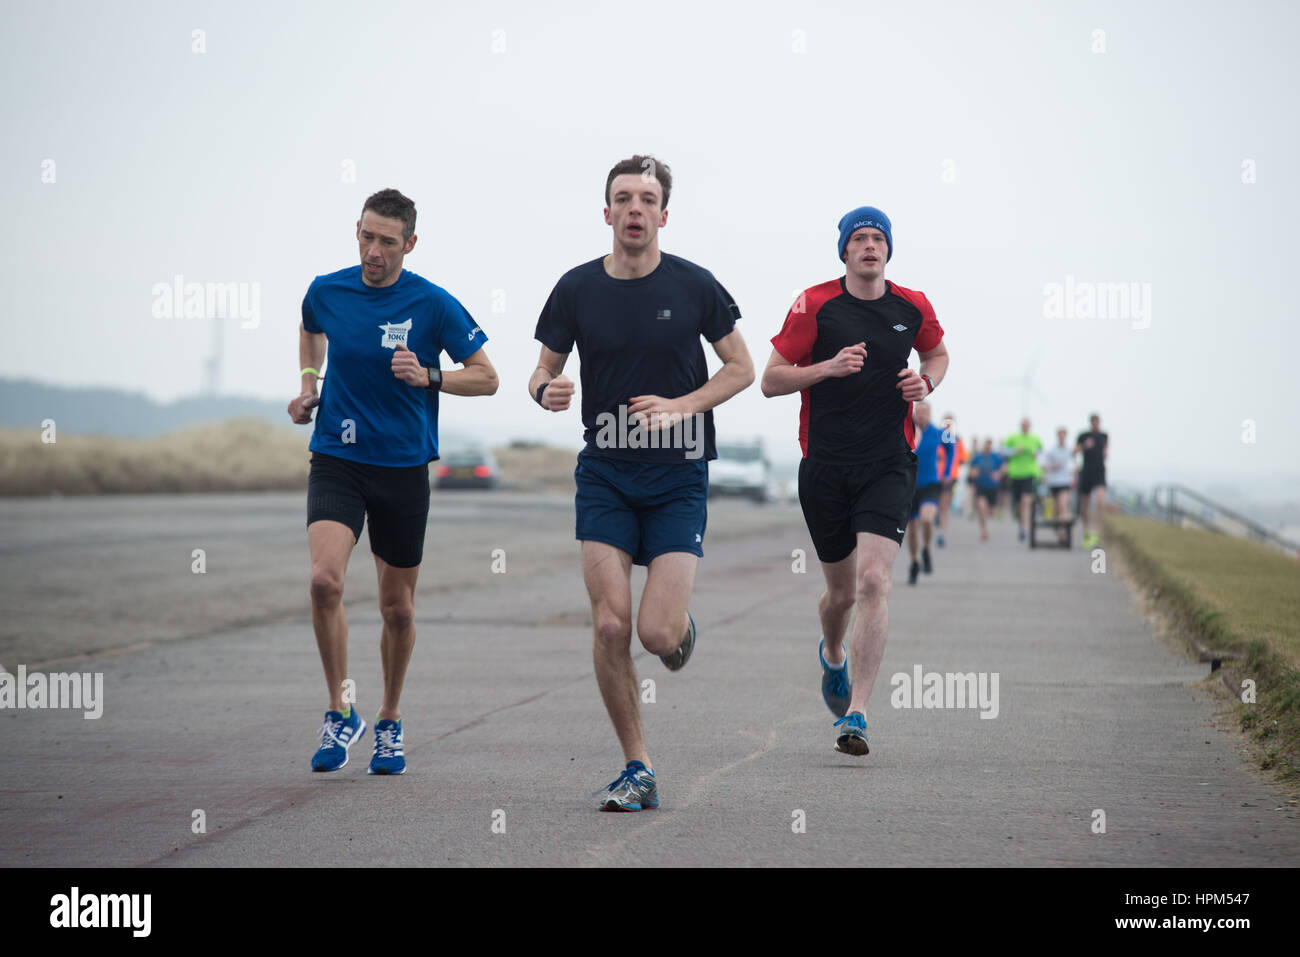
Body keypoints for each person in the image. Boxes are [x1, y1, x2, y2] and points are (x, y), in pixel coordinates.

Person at [530, 155, 754, 811]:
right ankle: (639, 766)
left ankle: (680, 633)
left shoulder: (695, 286)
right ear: (606, 213)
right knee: (609, 627)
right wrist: (548, 390)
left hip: (678, 475)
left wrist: (684, 405)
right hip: (604, 474)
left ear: (663, 214)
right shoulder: (575, 288)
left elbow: (742, 368)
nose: (634, 208)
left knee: (655, 633)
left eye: (646, 198)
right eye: (623, 197)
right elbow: (540, 370)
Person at [289, 188, 499, 775]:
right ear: (355, 230)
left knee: (397, 610)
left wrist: (430, 375)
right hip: (337, 455)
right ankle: (339, 710)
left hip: (403, 468)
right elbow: (310, 328)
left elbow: (487, 378)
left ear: (410, 243)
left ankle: (389, 719)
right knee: (324, 583)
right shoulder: (327, 290)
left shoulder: (433, 304)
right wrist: (310, 383)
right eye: (365, 236)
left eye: (386, 241)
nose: (373, 251)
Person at [761, 204, 948, 757]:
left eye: (878, 239)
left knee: (873, 583)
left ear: (889, 250)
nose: (869, 246)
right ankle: (833, 654)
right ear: (843, 250)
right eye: (859, 239)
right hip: (824, 466)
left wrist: (926, 384)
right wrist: (827, 368)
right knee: (840, 594)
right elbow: (770, 381)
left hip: (888, 464)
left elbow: (936, 354)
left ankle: (859, 714)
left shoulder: (913, 306)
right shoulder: (814, 305)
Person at [905, 402, 954, 584]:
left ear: (930, 414)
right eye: (919, 411)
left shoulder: (939, 433)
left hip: (931, 484)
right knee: (912, 528)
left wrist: (947, 472)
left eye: (925, 411)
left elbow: (951, 449)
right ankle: (914, 562)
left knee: (927, 519)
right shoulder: (909, 431)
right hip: (910, 486)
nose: (921, 414)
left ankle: (926, 548)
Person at [1002, 419, 1043, 542]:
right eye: (1023, 425)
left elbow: (1041, 451)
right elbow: (1002, 451)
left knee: (1026, 501)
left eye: (1027, 425)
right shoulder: (1013, 438)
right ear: (1020, 426)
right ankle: (1021, 523)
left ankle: (1025, 529)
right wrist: (1013, 451)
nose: (1025, 427)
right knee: (1018, 504)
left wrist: (1037, 454)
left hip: (1029, 473)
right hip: (1015, 474)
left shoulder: (1035, 439)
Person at [1075, 413, 1109, 548]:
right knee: (1085, 505)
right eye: (1094, 422)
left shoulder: (1104, 436)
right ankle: (1086, 532)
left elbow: (1106, 450)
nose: (1096, 424)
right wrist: (1084, 446)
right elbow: (1075, 451)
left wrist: (1105, 454)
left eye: (1097, 422)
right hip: (1086, 471)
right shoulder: (1083, 435)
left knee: (1100, 501)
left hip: (1099, 471)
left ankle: (1096, 532)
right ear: (1091, 423)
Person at [1040, 427, 1075, 544]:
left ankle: (1062, 531)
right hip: (1053, 482)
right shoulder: (1051, 451)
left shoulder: (1069, 450)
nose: (1062, 438)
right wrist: (1053, 468)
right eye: (1060, 435)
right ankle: (1058, 528)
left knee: (1063, 505)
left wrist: (1073, 476)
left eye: (1064, 435)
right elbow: (1044, 466)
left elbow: (1075, 464)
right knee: (1054, 510)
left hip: (1065, 482)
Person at [934, 413, 965, 546]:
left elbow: (963, 458)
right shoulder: (936, 437)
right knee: (936, 504)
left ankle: (941, 533)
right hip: (934, 475)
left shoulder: (957, 440)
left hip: (951, 476)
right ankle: (936, 519)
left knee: (945, 505)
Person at [967, 438, 1005, 542]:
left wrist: (999, 474)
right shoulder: (977, 457)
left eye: (989, 445)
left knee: (990, 511)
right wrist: (973, 473)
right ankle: (984, 530)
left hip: (992, 487)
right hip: (981, 486)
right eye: (986, 444)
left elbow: (1003, 468)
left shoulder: (995, 457)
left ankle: (990, 512)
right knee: (980, 506)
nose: (987, 447)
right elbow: (971, 470)